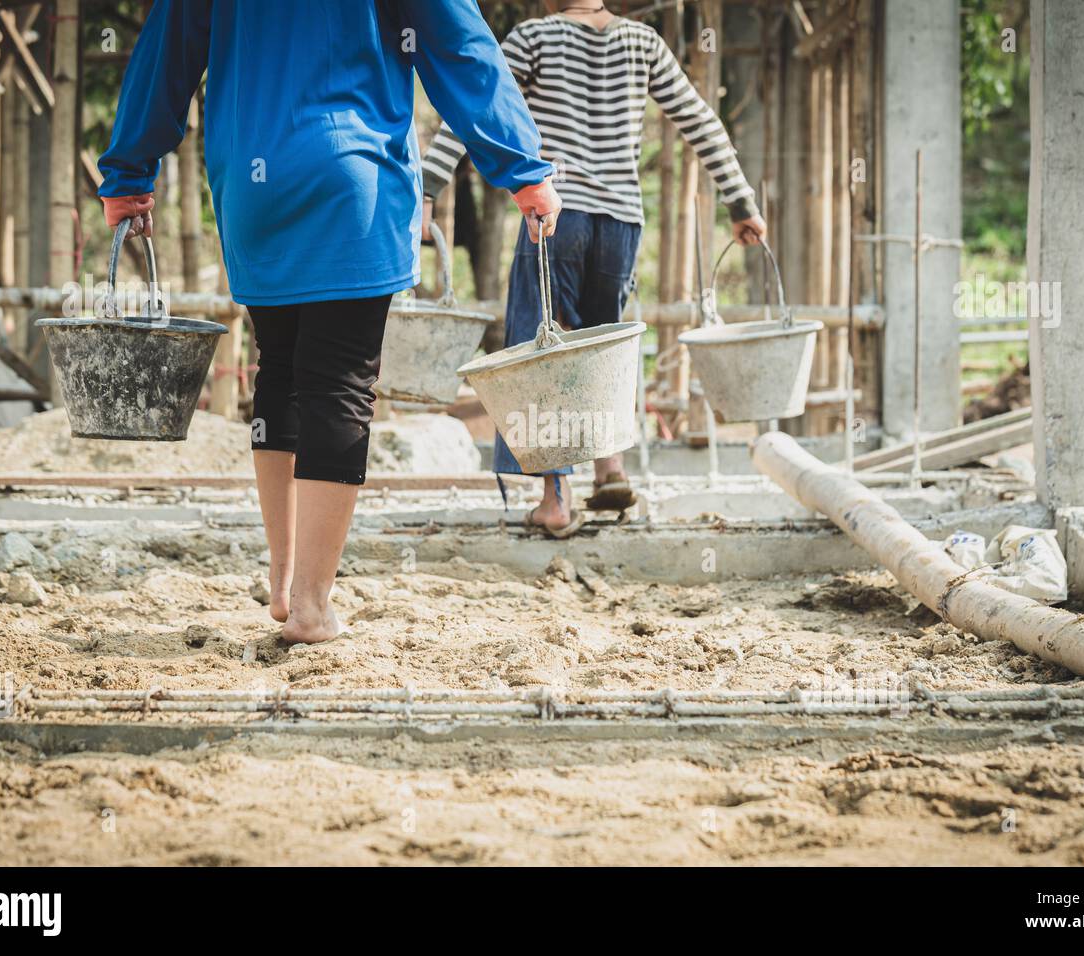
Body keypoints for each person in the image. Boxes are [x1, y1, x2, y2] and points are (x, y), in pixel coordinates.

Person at [98, 0, 560, 644]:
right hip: (353, 175)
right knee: (338, 381)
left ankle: (285, 581)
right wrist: (523, 168)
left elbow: (167, 51)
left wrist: (128, 171)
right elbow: (460, 47)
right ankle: (314, 606)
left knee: (280, 370)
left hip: (253, 181)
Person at [421, 2, 765, 538]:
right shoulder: (642, 42)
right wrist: (740, 202)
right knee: (608, 348)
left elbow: (476, 105)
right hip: (620, 222)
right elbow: (700, 120)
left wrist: (426, 188)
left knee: (545, 351)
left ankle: (556, 497)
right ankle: (611, 468)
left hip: (555, 214)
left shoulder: (533, 37)